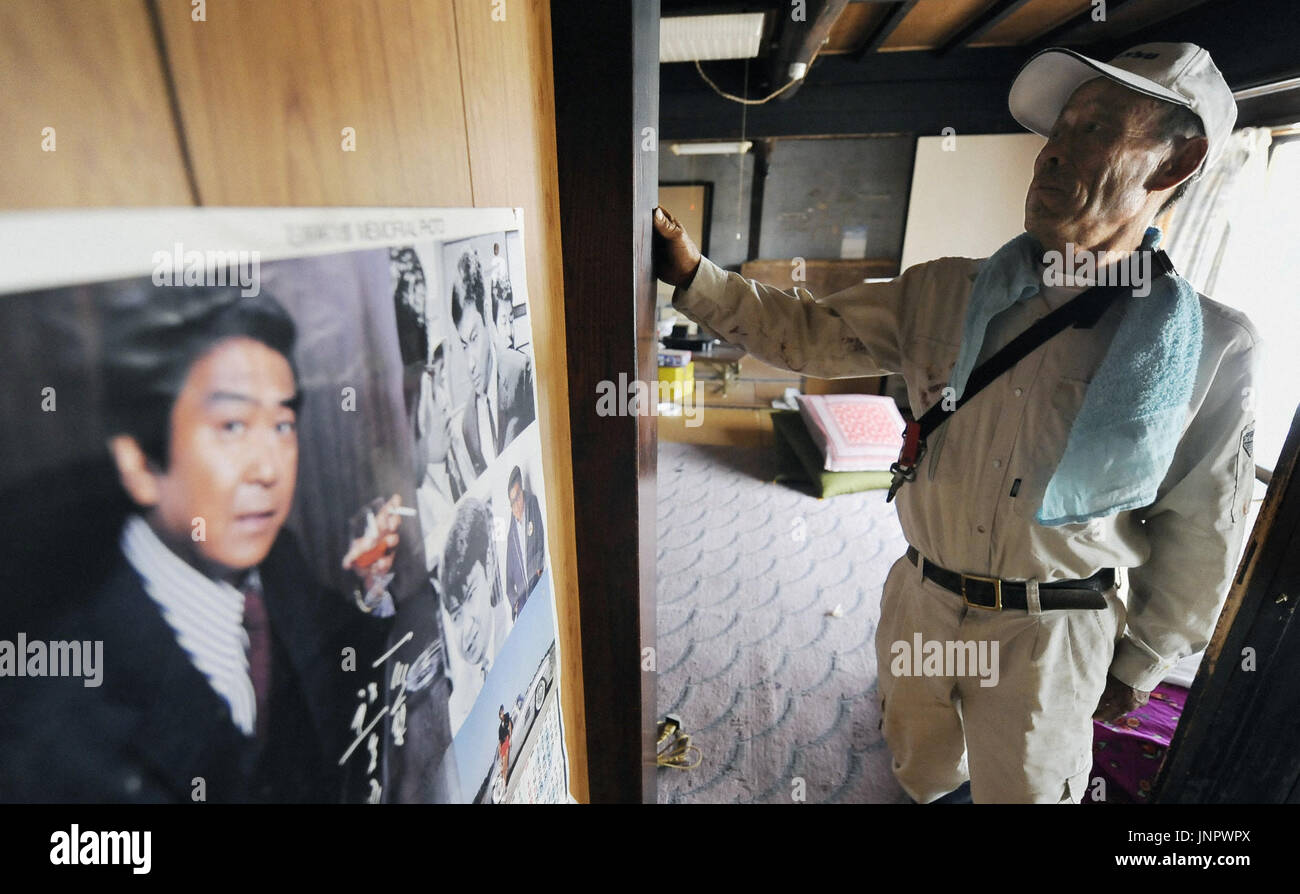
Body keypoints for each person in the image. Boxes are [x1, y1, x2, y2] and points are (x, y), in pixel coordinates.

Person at [653, 42, 1258, 804]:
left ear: (1176, 165)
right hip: (923, 598)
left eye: (1095, 130)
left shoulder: (1215, 348)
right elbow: (804, 333)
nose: (1052, 155)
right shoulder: (944, 292)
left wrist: (1144, 659)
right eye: (1057, 131)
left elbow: (1203, 526)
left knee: (1028, 795)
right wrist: (690, 274)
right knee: (923, 770)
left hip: (1052, 631)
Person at [0, 285, 405, 803]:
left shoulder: (275, 556)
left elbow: (339, 674)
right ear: (139, 463)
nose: (268, 468)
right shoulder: (58, 720)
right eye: (232, 425)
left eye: (282, 424)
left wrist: (372, 586)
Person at [451, 250, 535, 475]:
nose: (470, 363)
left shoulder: (522, 373)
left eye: (474, 338)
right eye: (463, 344)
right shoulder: (467, 423)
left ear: (487, 312)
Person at [440, 497, 514, 732]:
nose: (466, 629)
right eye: (455, 615)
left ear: (489, 567)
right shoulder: (455, 710)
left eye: (470, 594)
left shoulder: (515, 625)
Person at [504, 465, 546, 619]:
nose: (517, 505)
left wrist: (540, 568)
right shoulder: (511, 536)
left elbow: (540, 539)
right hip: (525, 602)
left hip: (538, 585)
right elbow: (508, 585)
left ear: (522, 493)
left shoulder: (532, 505)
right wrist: (515, 604)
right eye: (512, 502)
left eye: (518, 498)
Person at [498, 705, 514, 784]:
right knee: (504, 765)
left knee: (505, 765)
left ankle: (505, 781)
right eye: (500, 714)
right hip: (503, 744)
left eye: (501, 713)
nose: (501, 715)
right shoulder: (500, 728)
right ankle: (504, 782)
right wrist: (500, 751)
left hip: (507, 741)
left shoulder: (507, 717)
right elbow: (499, 741)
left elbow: (510, 726)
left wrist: (510, 738)